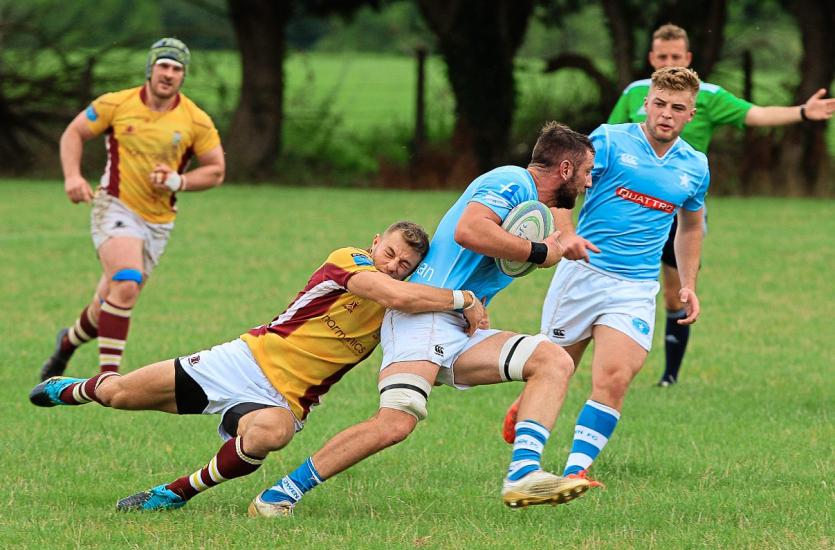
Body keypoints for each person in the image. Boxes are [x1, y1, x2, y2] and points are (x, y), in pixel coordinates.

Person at [246, 122, 596, 518]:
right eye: (585, 173)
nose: (587, 184)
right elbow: (469, 231)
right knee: (395, 423)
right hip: (425, 316)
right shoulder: (513, 179)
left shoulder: (531, 207)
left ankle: (523, 473)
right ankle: (279, 495)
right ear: (565, 169)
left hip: (456, 325)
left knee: (554, 361)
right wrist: (539, 252)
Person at [30, 222, 487, 512]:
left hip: (285, 400)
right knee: (118, 395)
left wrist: (458, 315)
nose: (393, 267)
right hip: (243, 360)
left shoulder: (403, 306)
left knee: (273, 434)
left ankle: (175, 493)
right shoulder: (350, 261)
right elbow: (395, 296)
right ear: (374, 243)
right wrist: (464, 298)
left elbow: (419, 325)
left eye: (405, 265)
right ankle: (75, 387)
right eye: (389, 254)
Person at [504, 67, 709, 484]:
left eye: (678, 108)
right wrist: (567, 236)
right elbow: (562, 188)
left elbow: (690, 225)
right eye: (660, 104)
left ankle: (577, 471)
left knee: (615, 378)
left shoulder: (695, 166)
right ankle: (526, 440)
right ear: (646, 104)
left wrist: (687, 283)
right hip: (583, 275)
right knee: (558, 368)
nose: (666, 114)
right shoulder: (611, 141)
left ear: (691, 114)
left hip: (635, 287)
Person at [609, 23, 835, 386]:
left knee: (673, 293)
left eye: (676, 56)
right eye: (662, 57)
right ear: (653, 59)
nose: (669, 61)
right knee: (622, 281)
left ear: (688, 59)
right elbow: (605, 140)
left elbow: (756, 115)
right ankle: (609, 363)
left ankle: (669, 376)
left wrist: (803, 113)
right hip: (630, 209)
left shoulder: (708, 97)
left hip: (677, 209)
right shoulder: (637, 94)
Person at [39, 38, 226, 381]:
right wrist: (72, 177)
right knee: (126, 283)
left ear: (183, 76)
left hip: (159, 222)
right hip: (114, 205)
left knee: (107, 304)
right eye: (163, 66)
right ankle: (108, 381)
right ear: (150, 69)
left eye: (177, 68)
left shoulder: (195, 120)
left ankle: (66, 343)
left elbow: (216, 170)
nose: (169, 74)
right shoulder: (116, 103)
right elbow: (74, 133)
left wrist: (178, 181)